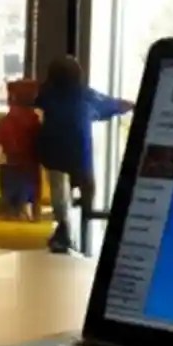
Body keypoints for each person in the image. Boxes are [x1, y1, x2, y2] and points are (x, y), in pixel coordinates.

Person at [34, 56, 134, 253]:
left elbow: (34, 103)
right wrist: (131, 105)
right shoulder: (85, 96)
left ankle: (63, 227)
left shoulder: (46, 95)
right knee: (87, 187)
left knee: (58, 186)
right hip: (79, 157)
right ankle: (87, 220)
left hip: (51, 154)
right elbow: (110, 104)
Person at [0, 79, 41, 220]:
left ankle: (13, 209)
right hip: (28, 167)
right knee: (28, 196)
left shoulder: (8, 121)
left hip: (11, 166)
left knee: (10, 200)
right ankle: (25, 211)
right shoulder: (34, 122)